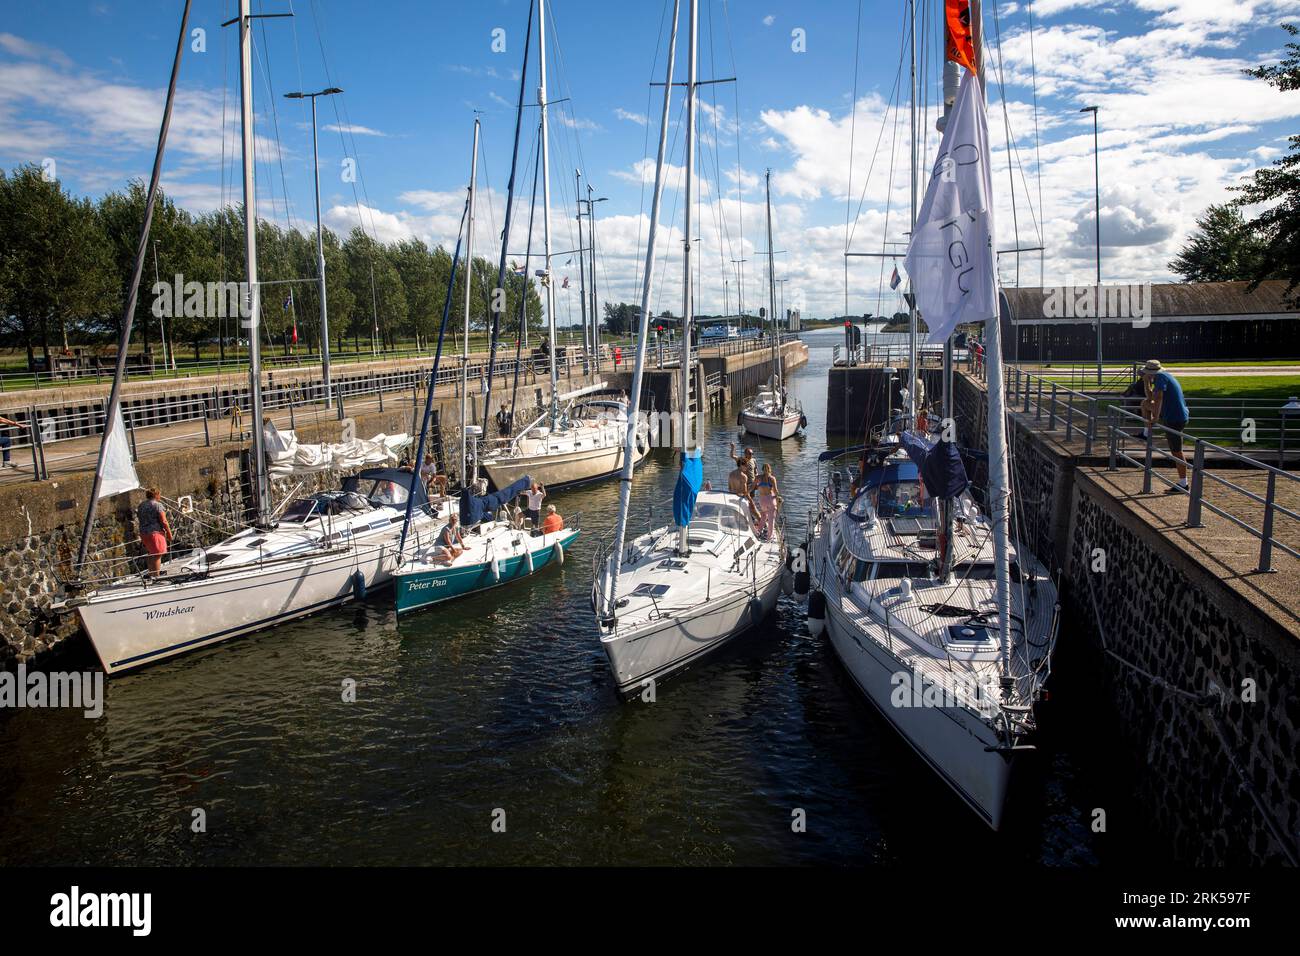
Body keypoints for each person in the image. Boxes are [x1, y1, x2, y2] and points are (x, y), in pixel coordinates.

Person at [1141, 359, 1191, 492]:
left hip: (1174, 418)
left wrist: (1156, 418)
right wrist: (1146, 382)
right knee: (1144, 403)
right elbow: (1150, 397)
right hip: (1174, 415)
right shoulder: (1163, 376)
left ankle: (1183, 483)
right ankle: (1146, 432)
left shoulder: (1160, 378)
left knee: (1176, 451)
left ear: (1151, 372)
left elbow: (1158, 398)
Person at [137, 487, 173, 576]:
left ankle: (151, 574)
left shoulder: (141, 506)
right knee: (157, 554)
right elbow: (164, 521)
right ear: (156, 495)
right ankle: (156, 576)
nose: (160, 496)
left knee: (150, 554)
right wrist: (169, 534)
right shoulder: (157, 505)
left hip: (144, 533)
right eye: (159, 494)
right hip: (155, 533)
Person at [753, 463, 780, 539]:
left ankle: (758, 531)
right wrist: (778, 496)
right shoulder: (772, 478)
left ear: (762, 469)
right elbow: (776, 490)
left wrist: (746, 492)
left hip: (762, 500)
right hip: (770, 499)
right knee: (771, 519)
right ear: (770, 469)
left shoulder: (758, 477)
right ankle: (769, 536)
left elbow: (752, 487)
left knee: (763, 517)